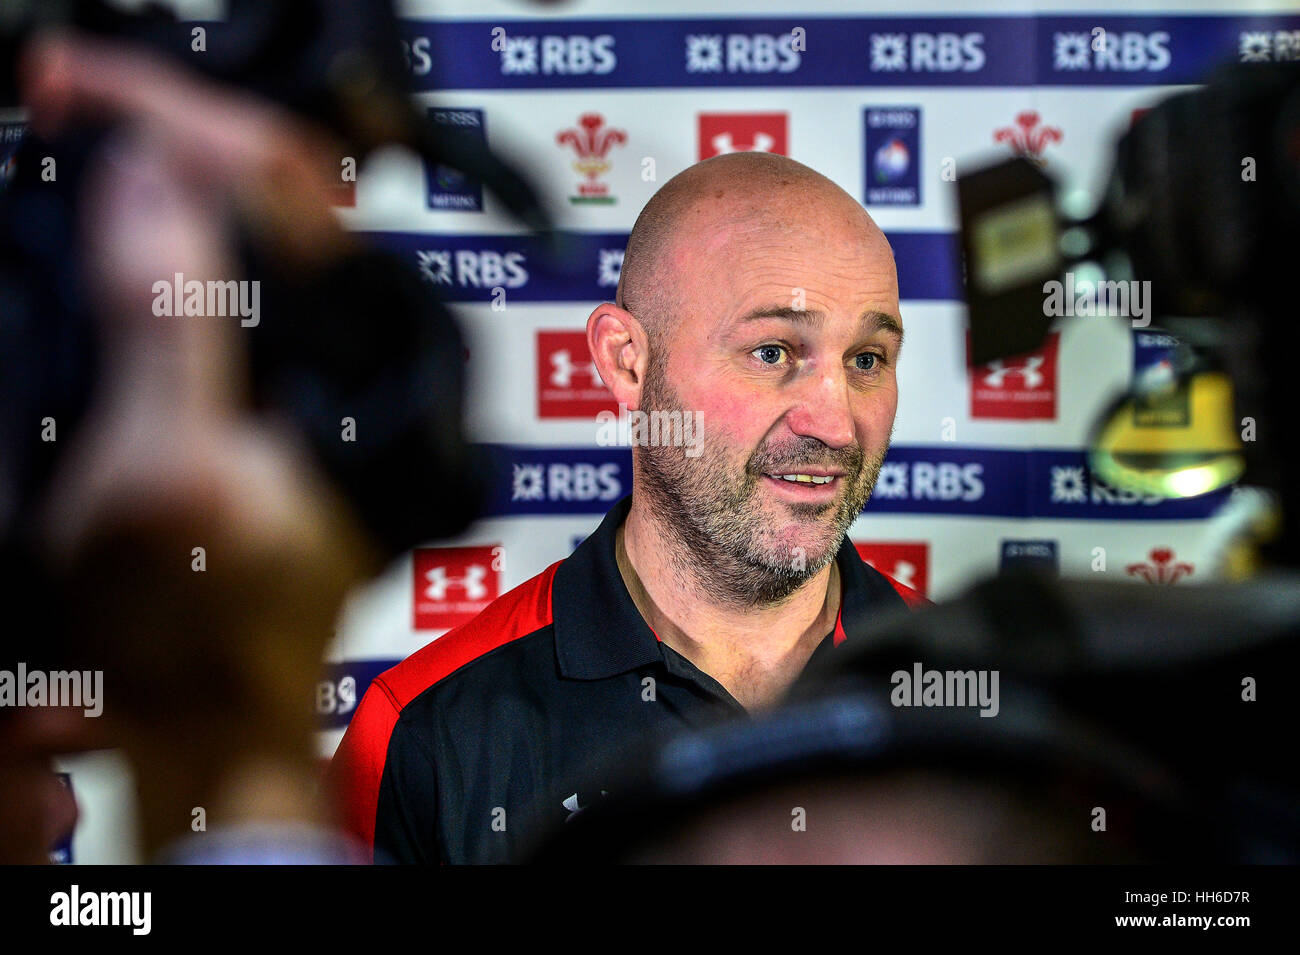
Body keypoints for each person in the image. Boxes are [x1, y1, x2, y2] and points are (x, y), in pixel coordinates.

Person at [329, 152, 924, 864]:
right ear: (626, 362)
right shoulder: (427, 731)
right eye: (772, 351)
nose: (834, 424)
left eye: (867, 358)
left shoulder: (988, 693)